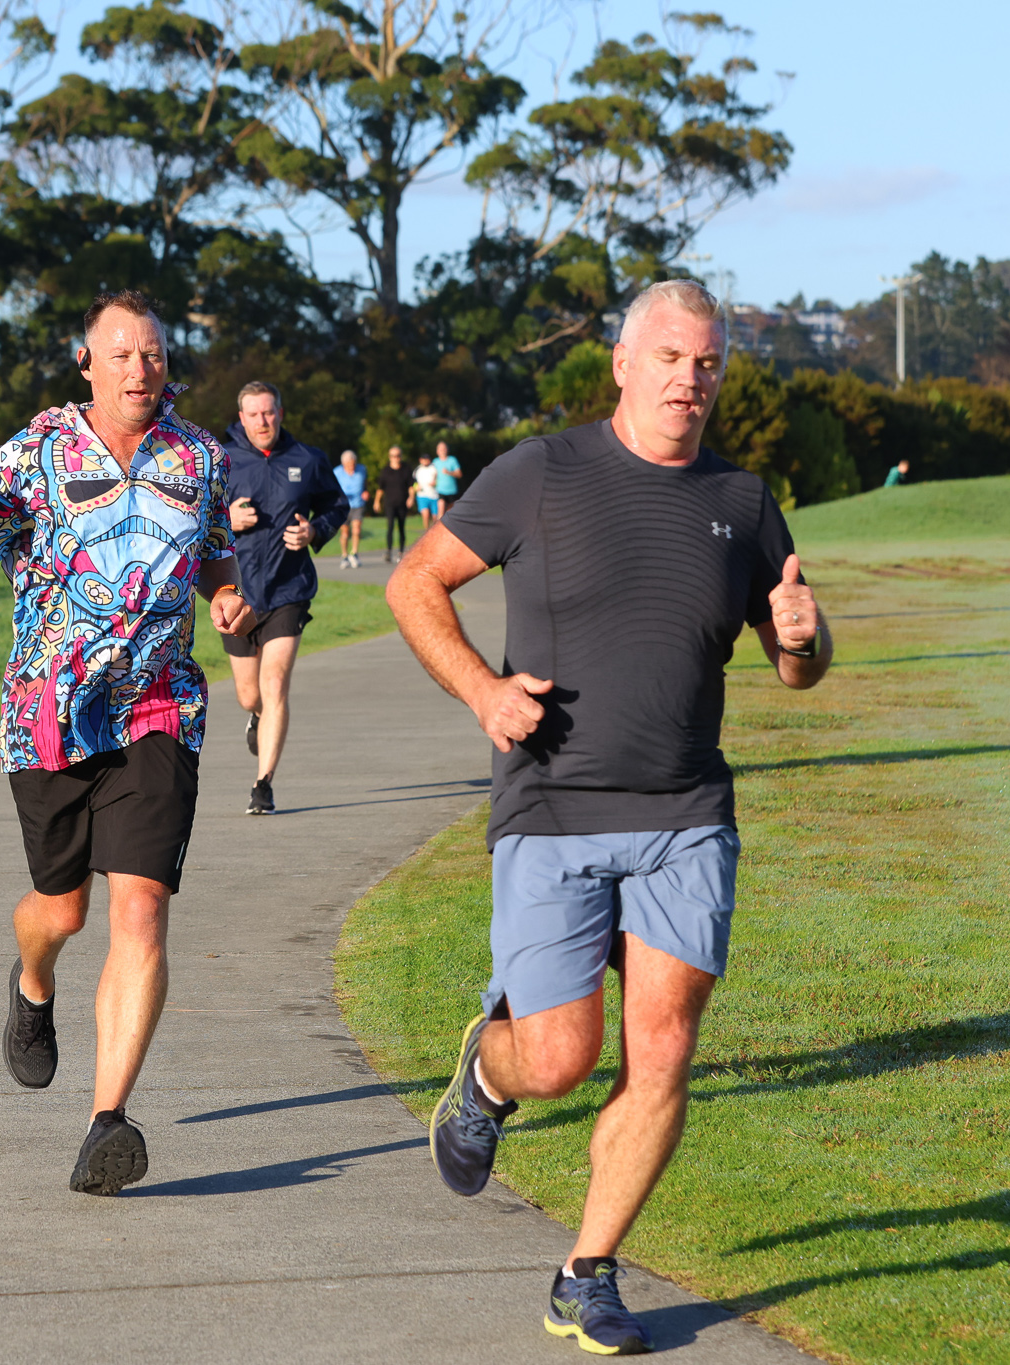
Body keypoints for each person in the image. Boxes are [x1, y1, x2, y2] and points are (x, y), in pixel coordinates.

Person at [385, 279, 831, 1356]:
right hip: (551, 808)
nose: (689, 379)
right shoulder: (542, 472)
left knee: (663, 1047)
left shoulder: (743, 500)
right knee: (558, 1057)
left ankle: (586, 1274)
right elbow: (414, 583)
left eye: (707, 363)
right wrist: (482, 691)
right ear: (623, 364)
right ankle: (486, 1073)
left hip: (687, 814)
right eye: (670, 358)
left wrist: (802, 638)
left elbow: (797, 668)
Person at [0, 289, 253, 1196]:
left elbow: (213, 547)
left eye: (155, 352)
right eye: (123, 353)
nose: (142, 368)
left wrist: (224, 593)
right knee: (61, 912)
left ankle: (108, 1121)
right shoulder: (35, 453)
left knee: (141, 908)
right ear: (87, 363)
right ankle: (32, 981)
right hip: (51, 711)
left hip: (158, 705)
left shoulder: (200, 455)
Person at [219, 380, 347, 816]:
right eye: (254, 414)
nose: (263, 421)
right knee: (249, 694)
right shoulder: (221, 460)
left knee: (274, 684)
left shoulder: (307, 459)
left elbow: (336, 506)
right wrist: (226, 518)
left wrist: (314, 530)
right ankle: (256, 716)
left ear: (281, 412)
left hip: (289, 589)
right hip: (236, 594)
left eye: (269, 412)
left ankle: (263, 785)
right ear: (241, 418)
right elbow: (192, 515)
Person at [374, 446, 414, 563]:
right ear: (389, 457)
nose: (396, 458)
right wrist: (377, 502)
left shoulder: (406, 469)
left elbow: (411, 486)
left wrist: (411, 498)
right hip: (390, 503)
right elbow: (380, 488)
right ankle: (389, 551)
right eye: (393, 456)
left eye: (398, 456)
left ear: (401, 456)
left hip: (402, 503)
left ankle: (401, 552)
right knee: (390, 526)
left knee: (401, 527)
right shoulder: (385, 471)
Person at [333, 449, 368, 568]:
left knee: (357, 530)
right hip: (343, 506)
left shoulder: (362, 469)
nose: (352, 467)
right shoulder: (337, 472)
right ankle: (344, 555)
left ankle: (355, 554)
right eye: (349, 465)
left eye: (354, 464)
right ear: (343, 463)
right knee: (345, 532)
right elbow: (332, 489)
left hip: (358, 504)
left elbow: (365, 483)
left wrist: (365, 491)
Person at [413, 451, 440, 530]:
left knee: (435, 517)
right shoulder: (417, 469)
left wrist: (436, 483)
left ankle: (434, 531)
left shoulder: (434, 468)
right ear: (420, 460)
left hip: (434, 495)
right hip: (422, 495)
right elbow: (414, 482)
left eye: (427, 459)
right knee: (425, 514)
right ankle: (426, 531)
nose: (425, 461)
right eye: (423, 459)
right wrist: (416, 487)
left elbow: (439, 479)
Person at [434, 440, 463, 512]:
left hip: (451, 490)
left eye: (444, 448)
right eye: (440, 449)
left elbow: (459, 474)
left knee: (450, 513)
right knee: (441, 509)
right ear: (437, 451)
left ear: (447, 450)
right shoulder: (435, 462)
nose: (442, 451)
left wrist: (449, 472)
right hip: (440, 490)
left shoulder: (452, 460)